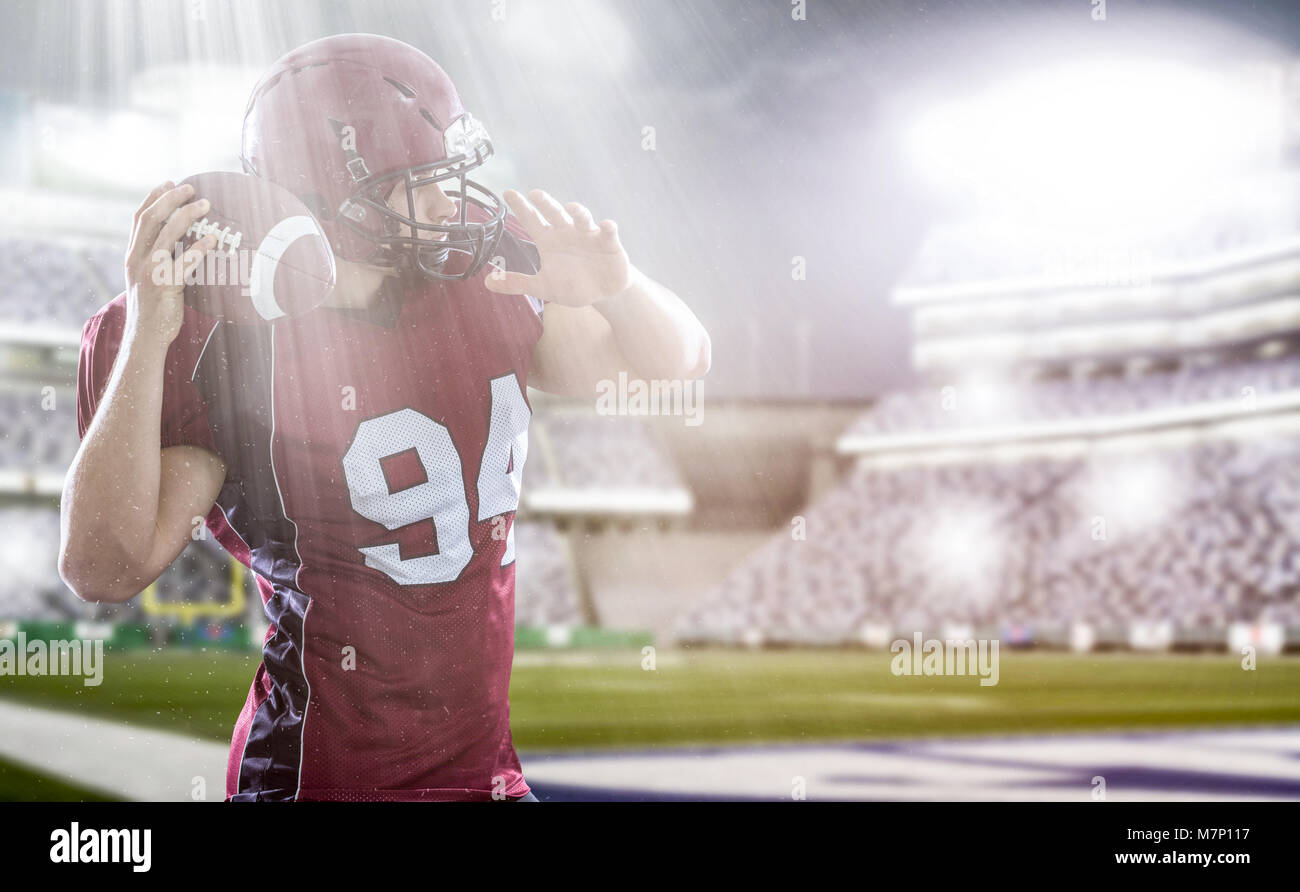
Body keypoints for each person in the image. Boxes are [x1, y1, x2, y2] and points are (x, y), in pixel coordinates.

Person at [58, 33, 710, 802]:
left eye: (451, 177)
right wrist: (147, 334)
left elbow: (678, 361)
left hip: (484, 774)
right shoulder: (218, 338)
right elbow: (104, 566)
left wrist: (618, 287)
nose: (450, 203)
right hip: (325, 779)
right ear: (328, 196)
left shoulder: (487, 274)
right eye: (419, 184)